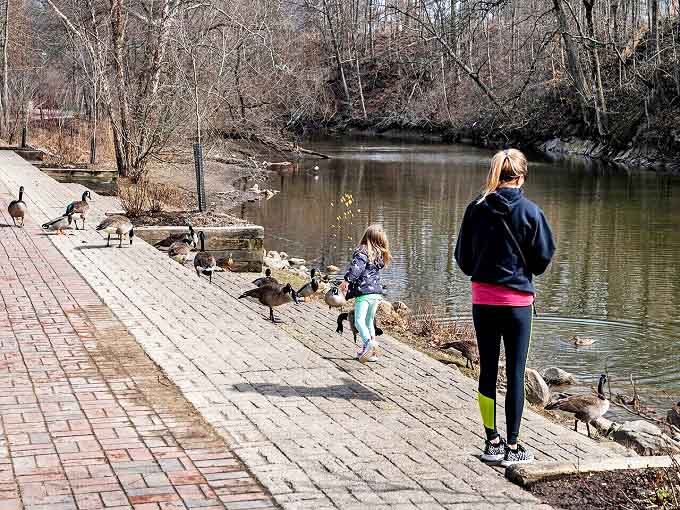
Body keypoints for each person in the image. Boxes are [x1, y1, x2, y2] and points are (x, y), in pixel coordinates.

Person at [454, 148, 555, 466]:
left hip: (483, 300)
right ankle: (513, 447)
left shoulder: (476, 208)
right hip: (517, 305)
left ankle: (491, 442)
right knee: (514, 374)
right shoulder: (531, 212)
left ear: (497, 174)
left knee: (486, 371)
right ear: (522, 176)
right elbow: (541, 261)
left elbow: (463, 259)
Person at [340, 224, 391, 363]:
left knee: (358, 321)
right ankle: (373, 353)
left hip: (364, 293)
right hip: (376, 294)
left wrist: (347, 280)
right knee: (369, 322)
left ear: (366, 236)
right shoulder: (379, 254)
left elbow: (357, 268)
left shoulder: (362, 251)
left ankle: (369, 344)